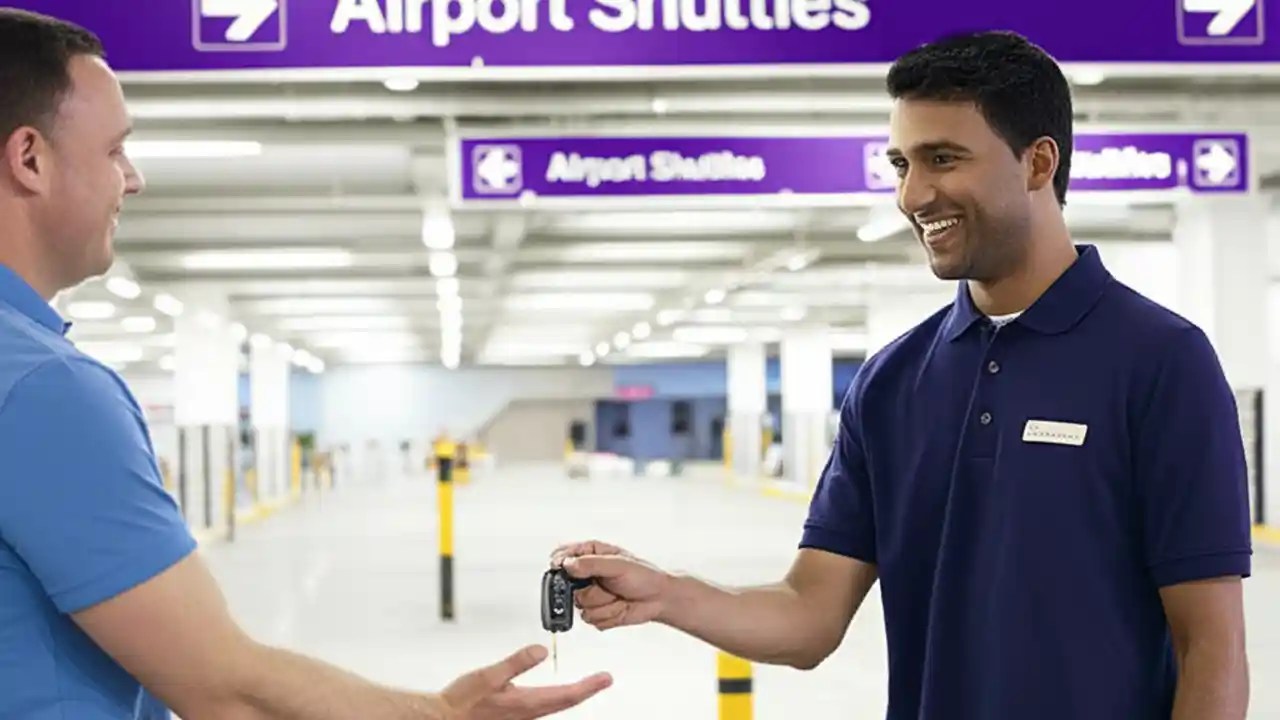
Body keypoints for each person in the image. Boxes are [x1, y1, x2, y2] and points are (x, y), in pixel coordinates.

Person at [552, 30, 1253, 720]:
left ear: (1039, 163)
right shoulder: (891, 383)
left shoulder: (1161, 362)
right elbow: (808, 615)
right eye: (900, 165)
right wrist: (665, 593)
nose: (913, 195)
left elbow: (1211, 649)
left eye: (942, 159)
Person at [0, 8, 610, 720]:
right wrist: (441, 715)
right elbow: (226, 689)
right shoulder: (44, 390)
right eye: (114, 151)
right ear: (30, 159)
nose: (132, 180)